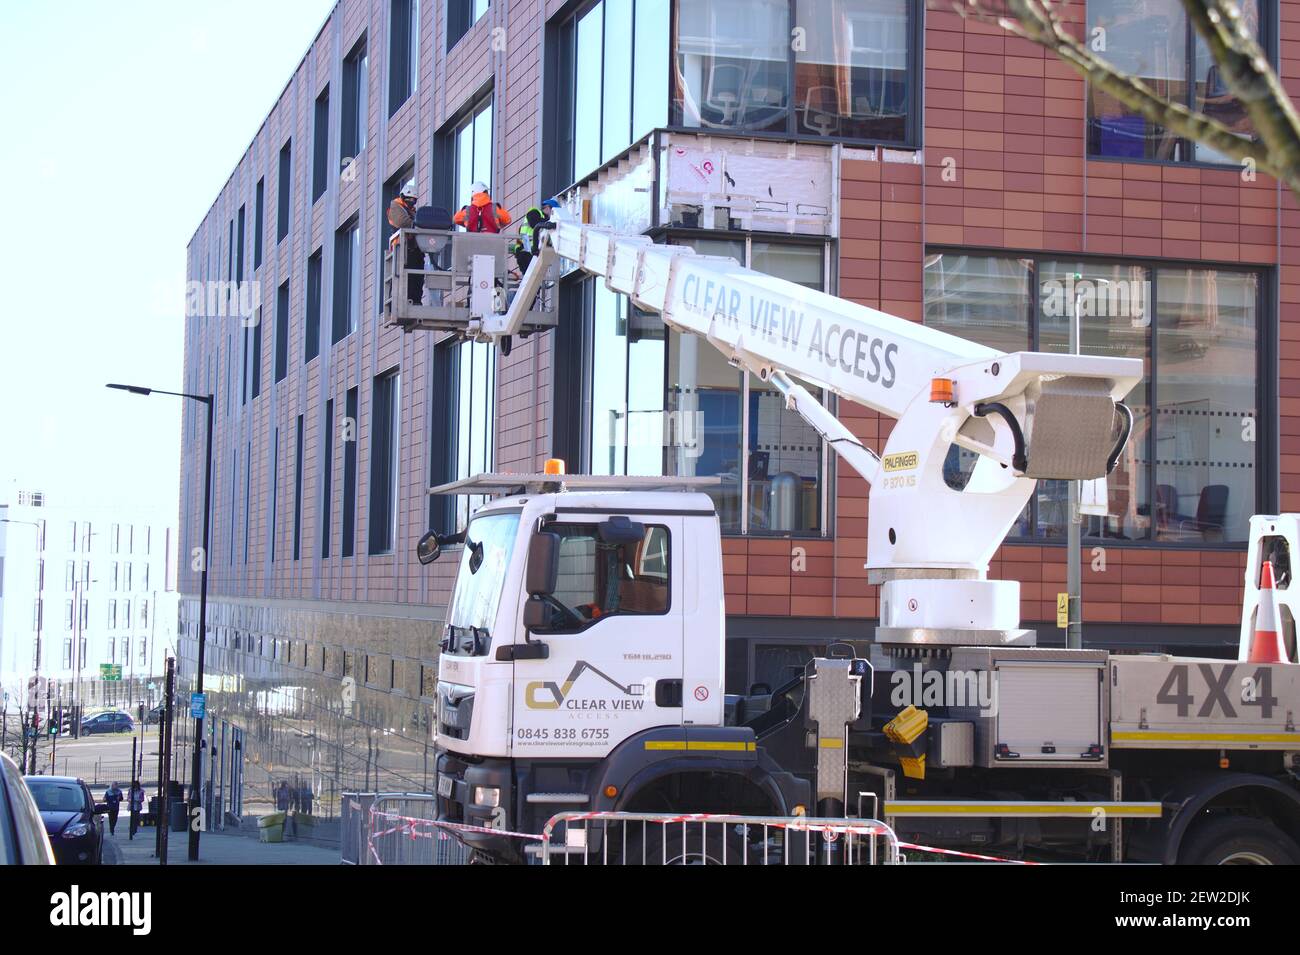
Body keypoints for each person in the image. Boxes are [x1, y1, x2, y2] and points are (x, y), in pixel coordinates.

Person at [387, 179, 424, 305]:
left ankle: (415, 300)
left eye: (413, 200)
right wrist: (419, 225)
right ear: (403, 197)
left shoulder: (411, 211)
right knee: (401, 276)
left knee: (416, 276)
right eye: (409, 199)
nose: (411, 202)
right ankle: (396, 303)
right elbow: (404, 223)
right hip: (401, 247)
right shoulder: (395, 207)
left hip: (413, 247)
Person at [511, 197, 560, 275]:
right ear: (548, 208)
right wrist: (550, 223)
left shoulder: (541, 219)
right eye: (553, 212)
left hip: (528, 252)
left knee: (531, 280)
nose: (553, 215)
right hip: (526, 253)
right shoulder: (534, 212)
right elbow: (534, 223)